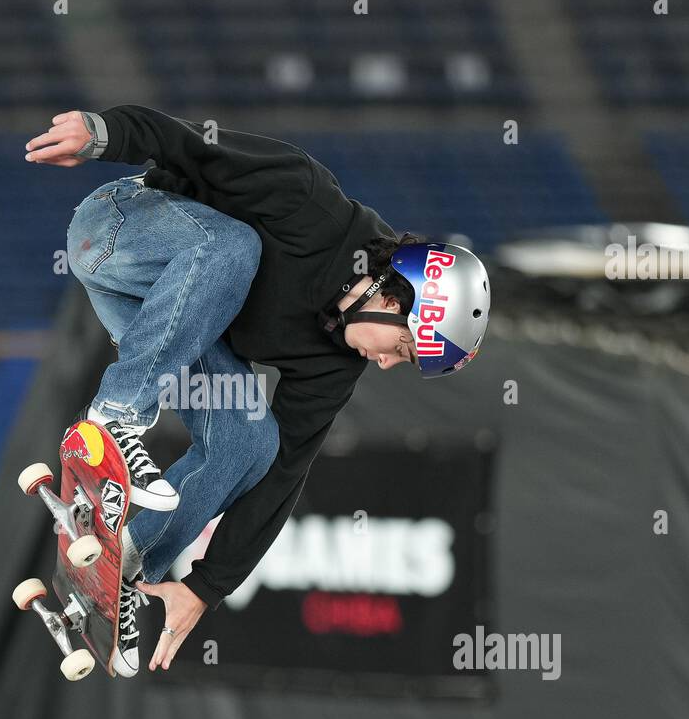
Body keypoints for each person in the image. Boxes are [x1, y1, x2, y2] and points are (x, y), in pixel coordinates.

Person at [25, 106, 489, 677]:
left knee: (249, 443)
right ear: (396, 299)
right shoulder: (309, 204)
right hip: (120, 230)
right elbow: (193, 145)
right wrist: (103, 134)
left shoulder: (334, 364)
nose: (389, 364)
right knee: (233, 247)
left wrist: (204, 586)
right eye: (404, 349)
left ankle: (114, 566)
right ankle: (117, 413)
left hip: (159, 318)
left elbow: (285, 473)